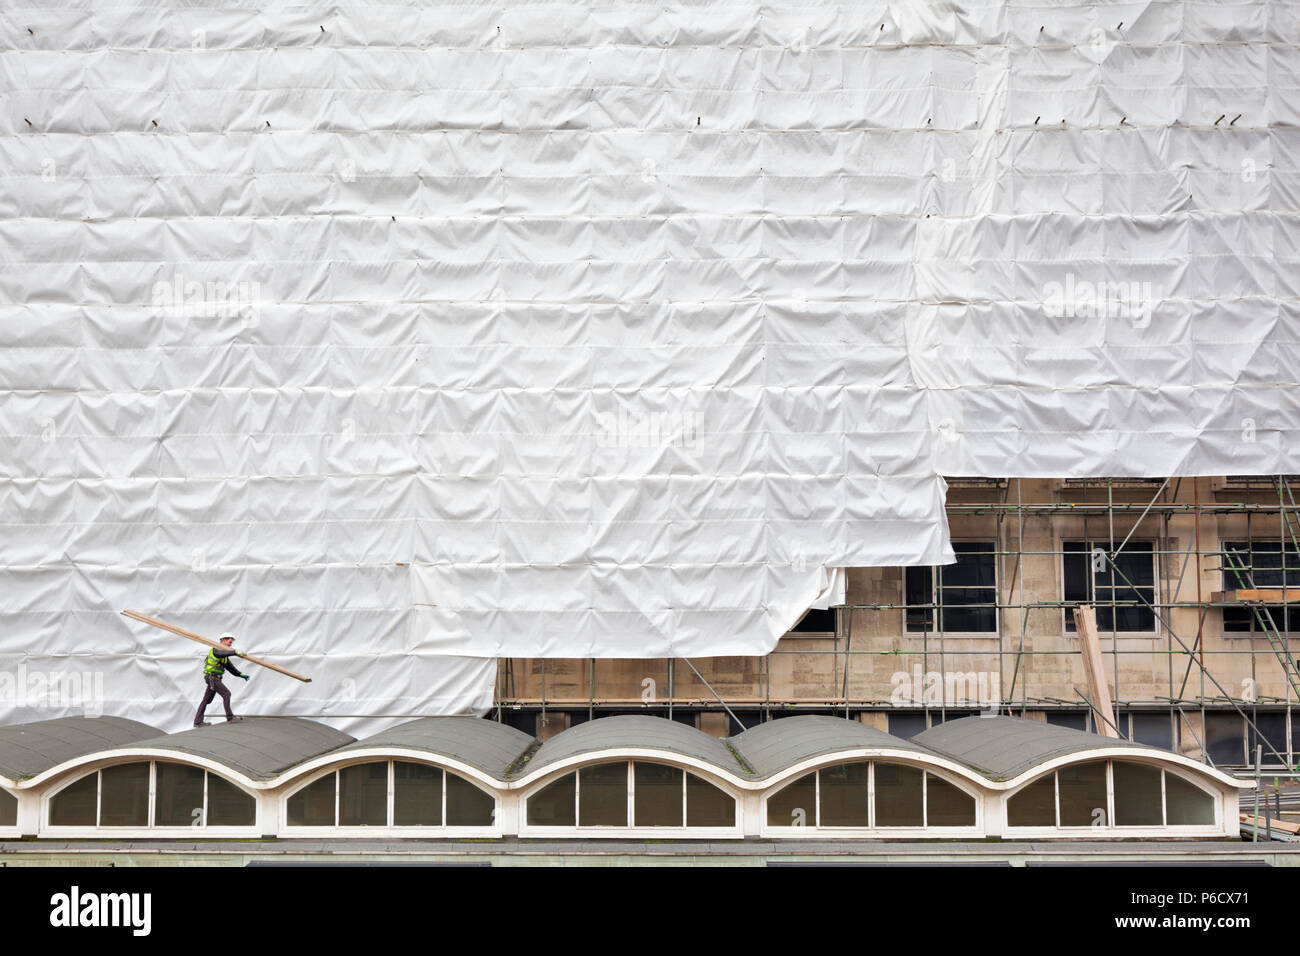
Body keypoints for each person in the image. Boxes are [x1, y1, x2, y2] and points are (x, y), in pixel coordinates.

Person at [193, 633, 250, 727]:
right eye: (229, 642)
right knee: (226, 694)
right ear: (223, 640)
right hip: (212, 677)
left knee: (206, 700)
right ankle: (230, 717)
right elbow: (220, 653)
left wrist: (240, 674)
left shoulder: (224, 657)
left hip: (214, 678)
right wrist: (235, 652)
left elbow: (231, 668)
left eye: (231, 643)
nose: (230, 644)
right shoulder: (216, 650)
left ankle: (197, 722)